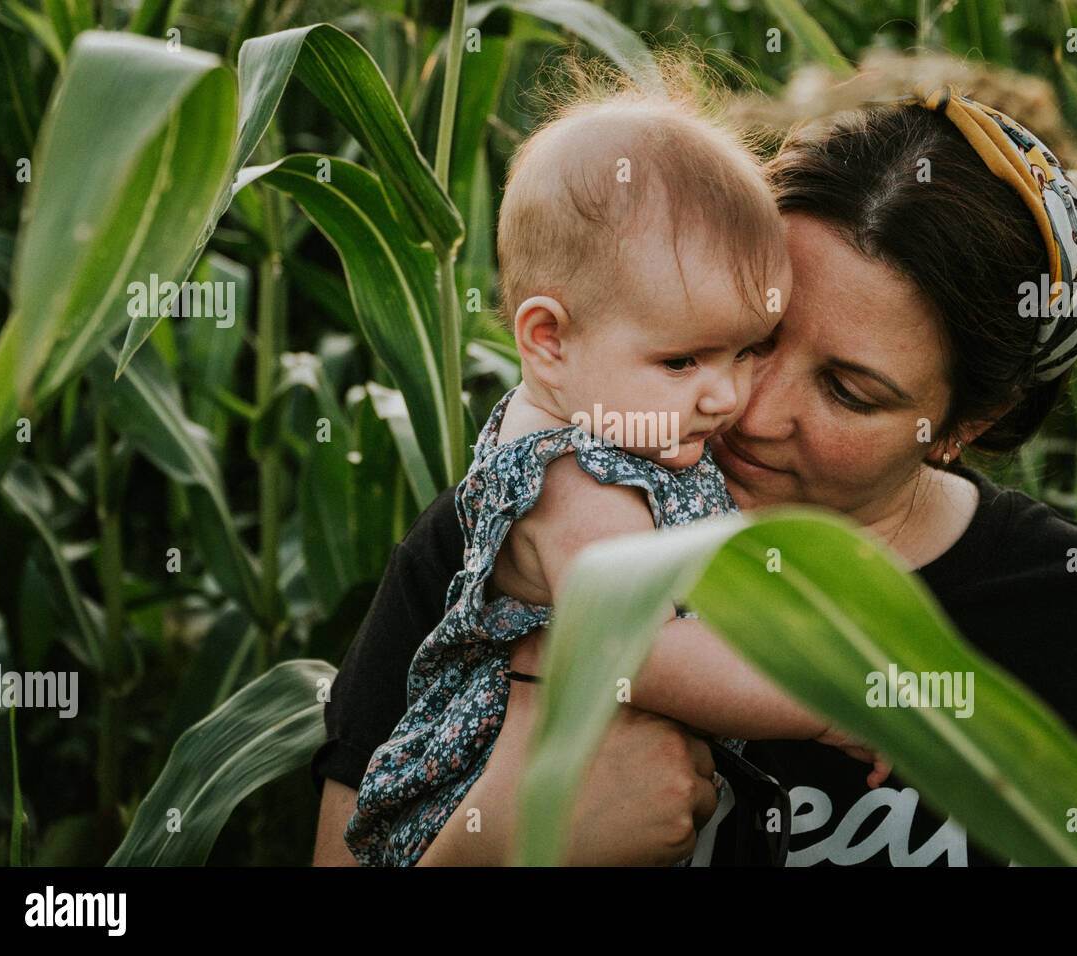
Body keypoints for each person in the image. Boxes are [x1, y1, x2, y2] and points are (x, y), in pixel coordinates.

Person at [312, 87, 1077, 866]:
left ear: (962, 426)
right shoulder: (507, 534)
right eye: (747, 339)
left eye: (850, 392)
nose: (747, 409)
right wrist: (513, 843)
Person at [343, 83, 889, 867]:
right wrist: (818, 702)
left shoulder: (614, 425)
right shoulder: (572, 480)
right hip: (500, 814)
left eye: (744, 350)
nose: (727, 397)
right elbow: (641, 650)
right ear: (549, 340)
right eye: (681, 360)